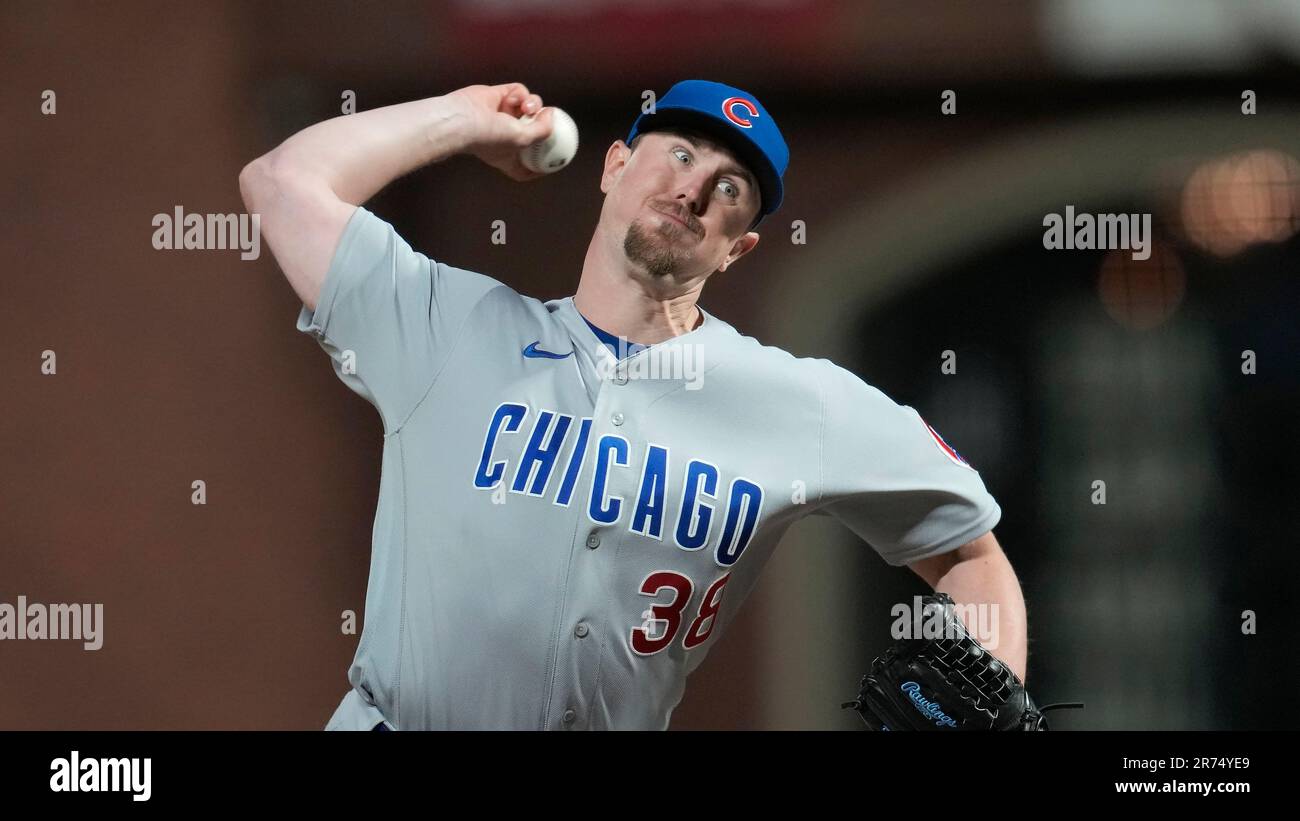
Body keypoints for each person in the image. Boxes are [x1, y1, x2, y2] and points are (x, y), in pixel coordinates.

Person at [238, 79, 1027, 731]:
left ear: (737, 245)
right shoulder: (449, 327)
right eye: (679, 153)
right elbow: (281, 182)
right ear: (614, 165)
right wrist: (467, 118)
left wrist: (984, 688)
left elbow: (970, 549)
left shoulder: (796, 402)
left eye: (729, 187)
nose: (692, 187)